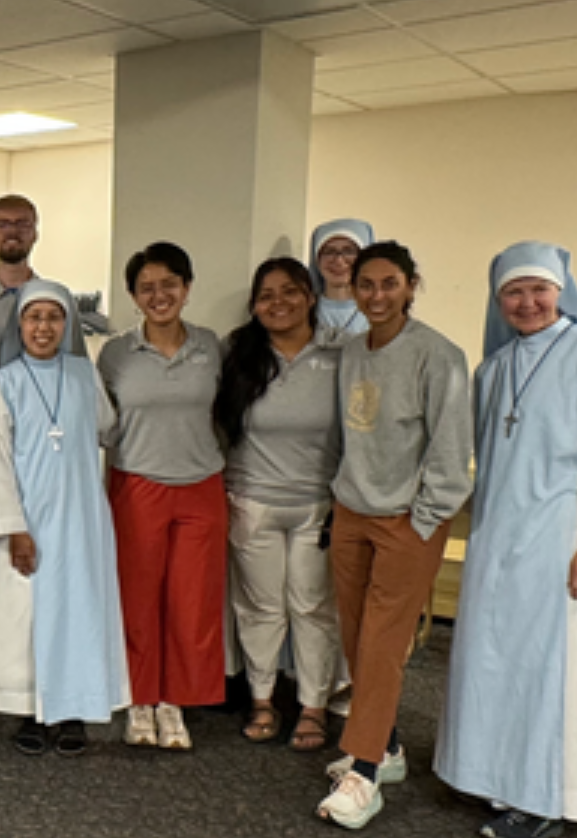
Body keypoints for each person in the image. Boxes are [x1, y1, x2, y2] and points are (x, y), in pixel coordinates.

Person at [317, 240, 471, 829]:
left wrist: (425, 519)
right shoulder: (352, 352)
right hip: (352, 510)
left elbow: (451, 449)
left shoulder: (439, 355)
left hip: (409, 520)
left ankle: (364, 772)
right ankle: (388, 745)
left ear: (410, 286)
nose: (377, 296)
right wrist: (337, 500)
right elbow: (347, 434)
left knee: (384, 642)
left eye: (389, 284)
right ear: (352, 290)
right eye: (366, 285)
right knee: (355, 635)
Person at [436, 241, 577, 838]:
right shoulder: (491, 369)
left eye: (538, 289)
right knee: (495, 661)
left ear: (561, 289)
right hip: (497, 535)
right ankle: (499, 777)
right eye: (513, 293)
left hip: (558, 536)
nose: (527, 303)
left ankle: (547, 796)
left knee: (548, 672)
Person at [0, 279, 129, 757]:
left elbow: (107, 428)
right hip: (28, 520)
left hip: (81, 518)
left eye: (54, 317)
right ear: (19, 325)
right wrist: (15, 529)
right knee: (25, 614)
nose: (44, 327)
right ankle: (27, 709)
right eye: (33, 317)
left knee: (79, 610)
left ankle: (73, 710)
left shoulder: (85, 374)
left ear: (68, 324)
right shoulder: (1, 383)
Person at [97, 241, 225, 751]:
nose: (160, 295)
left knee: (191, 603)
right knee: (138, 599)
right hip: (137, 486)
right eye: (147, 288)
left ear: (187, 288)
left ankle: (175, 701)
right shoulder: (115, 353)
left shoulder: (213, 346)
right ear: (133, 296)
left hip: (202, 486)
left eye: (170, 284)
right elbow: (103, 422)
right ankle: (140, 700)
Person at [214, 258, 342, 753]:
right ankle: (262, 698)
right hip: (252, 502)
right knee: (260, 607)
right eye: (266, 295)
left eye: (290, 291)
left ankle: (313, 705)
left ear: (311, 295)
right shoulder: (238, 353)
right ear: (253, 305)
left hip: (318, 503)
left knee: (313, 606)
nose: (279, 303)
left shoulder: (342, 353)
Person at [0, 195, 86, 360]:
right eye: (1, 224)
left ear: (35, 234)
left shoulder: (61, 300)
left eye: (22, 224)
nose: (12, 231)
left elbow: (77, 363)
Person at [310, 219, 375, 337]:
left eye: (349, 251)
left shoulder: (381, 312)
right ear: (317, 260)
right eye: (329, 252)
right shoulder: (302, 311)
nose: (339, 260)